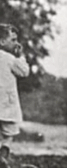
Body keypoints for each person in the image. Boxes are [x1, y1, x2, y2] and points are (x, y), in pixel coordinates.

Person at [0, 25, 30, 168]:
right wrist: (21, 56)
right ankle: (3, 155)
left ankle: (2, 159)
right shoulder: (10, 59)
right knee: (8, 134)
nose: (16, 44)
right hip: (7, 105)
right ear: (1, 41)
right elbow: (24, 72)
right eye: (13, 40)